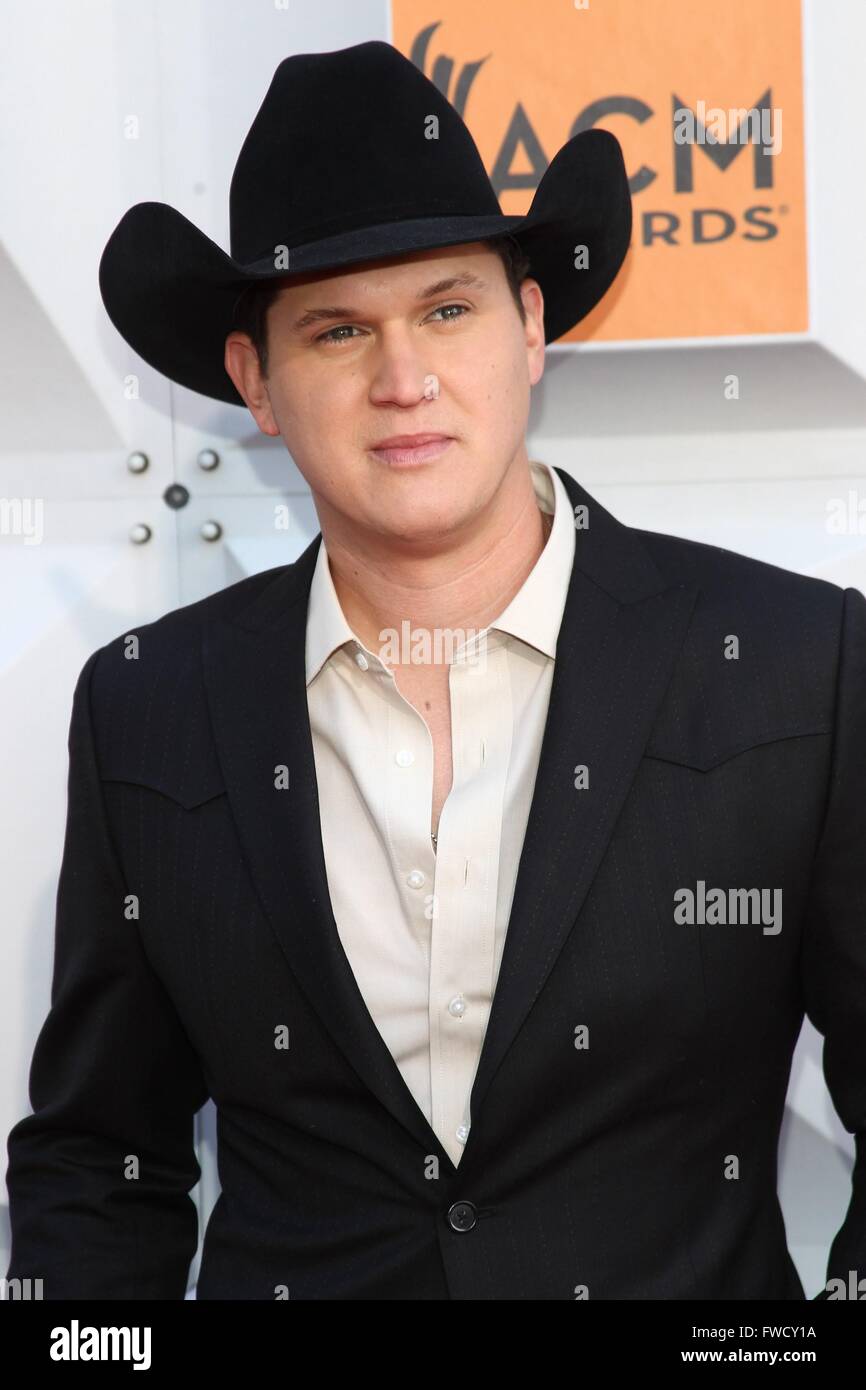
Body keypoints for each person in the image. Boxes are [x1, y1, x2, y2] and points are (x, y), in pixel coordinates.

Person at [5, 39, 864, 1300]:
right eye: (338, 328)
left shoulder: (795, 665)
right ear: (255, 381)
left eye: (446, 309)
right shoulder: (149, 703)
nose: (401, 381)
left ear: (529, 328)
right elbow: (103, 1160)